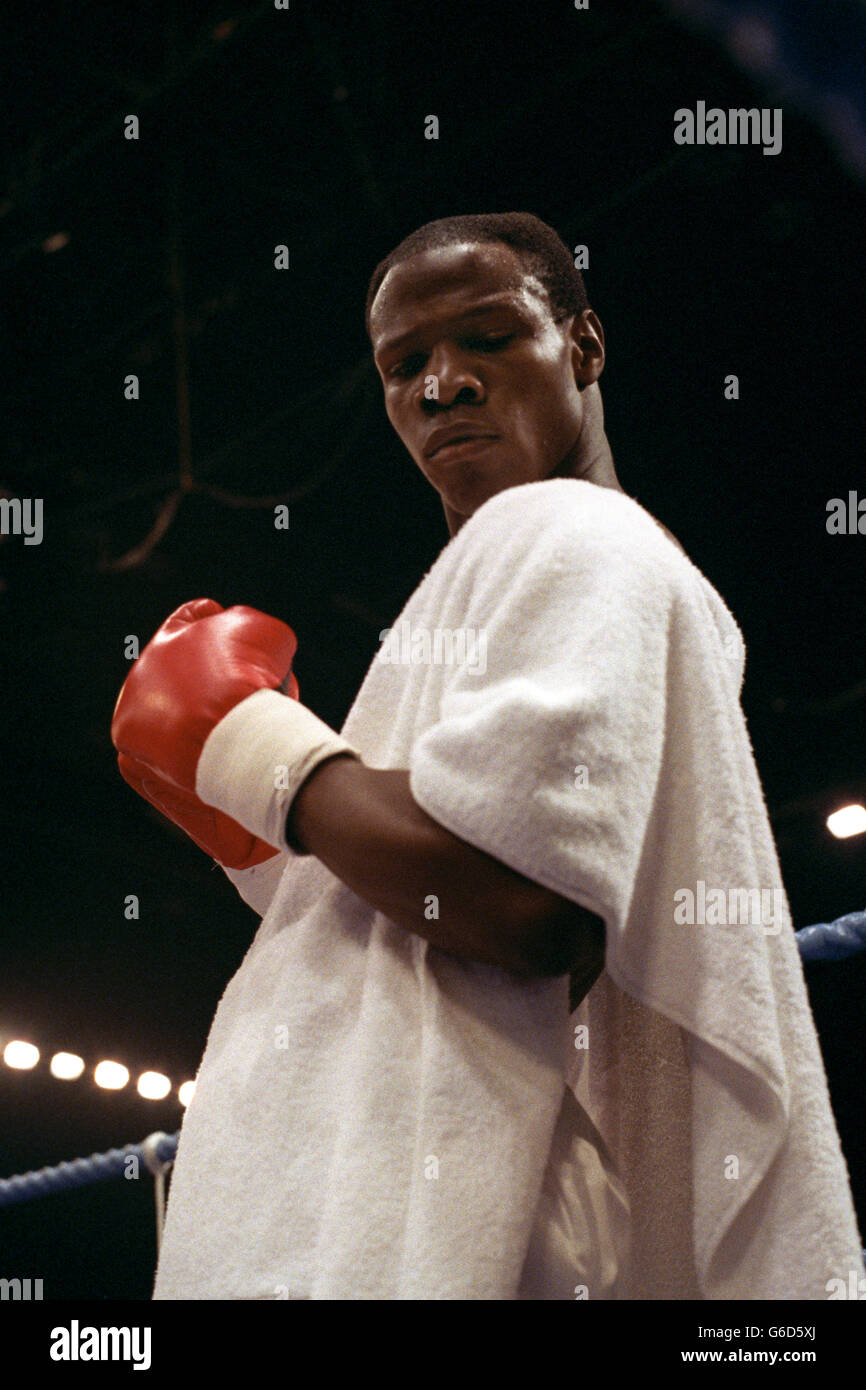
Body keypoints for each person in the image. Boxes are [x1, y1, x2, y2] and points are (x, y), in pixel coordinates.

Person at [112, 212, 862, 1300]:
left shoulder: (569, 532)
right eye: (404, 363)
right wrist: (256, 830)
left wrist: (254, 750)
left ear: (584, 346)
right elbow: (428, 913)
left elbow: (521, 905)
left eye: (488, 338)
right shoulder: (499, 580)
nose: (442, 383)